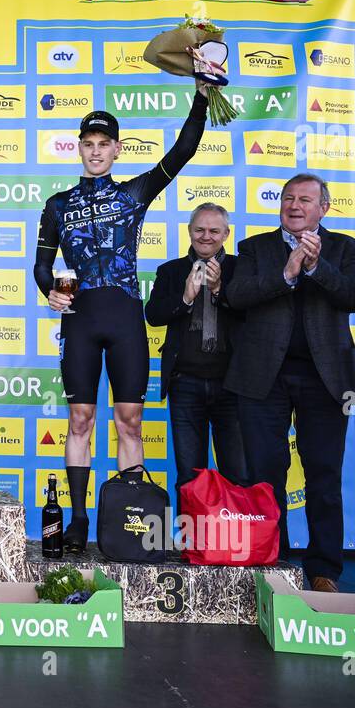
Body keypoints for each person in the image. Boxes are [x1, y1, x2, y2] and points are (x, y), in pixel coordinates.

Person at [34, 92, 208, 552]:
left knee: (130, 420)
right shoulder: (57, 205)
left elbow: (184, 150)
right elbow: (41, 264)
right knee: (80, 418)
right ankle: (76, 520)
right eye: (88, 142)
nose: (95, 151)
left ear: (117, 149)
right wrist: (47, 289)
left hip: (127, 316)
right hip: (80, 319)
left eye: (103, 143)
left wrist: (201, 98)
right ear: (79, 148)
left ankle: (133, 519)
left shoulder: (133, 193)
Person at [225, 173, 355, 592]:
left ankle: (324, 570)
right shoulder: (254, 248)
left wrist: (315, 267)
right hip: (262, 378)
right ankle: (274, 564)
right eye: (288, 198)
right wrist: (287, 273)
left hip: (327, 379)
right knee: (265, 476)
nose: (294, 205)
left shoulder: (346, 248)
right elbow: (238, 296)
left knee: (324, 475)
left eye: (305, 200)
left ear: (323, 208)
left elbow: (354, 297)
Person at [145, 202, 246, 496]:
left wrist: (218, 291)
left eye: (214, 230)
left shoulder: (241, 268)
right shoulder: (170, 271)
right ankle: (193, 541)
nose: (206, 236)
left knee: (238, 473)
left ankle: (234, 541)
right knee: (189, 475)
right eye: (199, 229)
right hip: (185, 384)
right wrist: (186, 298)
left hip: (233, 385)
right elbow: (153, 314)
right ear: (189, 231)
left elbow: (251, 315)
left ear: (226, 234)